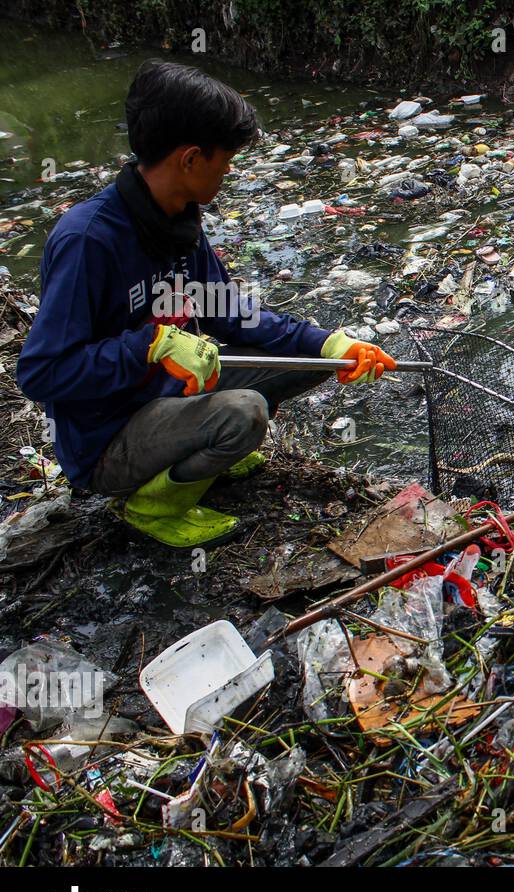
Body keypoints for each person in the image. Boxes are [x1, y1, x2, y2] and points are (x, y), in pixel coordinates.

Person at [16, 60, 396, 549]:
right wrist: (148, 347)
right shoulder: (88, 240)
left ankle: (204, 446)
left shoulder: (179, 223)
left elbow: (229, 312)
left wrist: (332, 343)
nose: (230, 170)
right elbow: (41, 373)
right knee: (245, 412)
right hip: (109, 438)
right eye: (226, 158)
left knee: (315, 360)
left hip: (173, 394)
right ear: (191, 158)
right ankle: (150, 504)